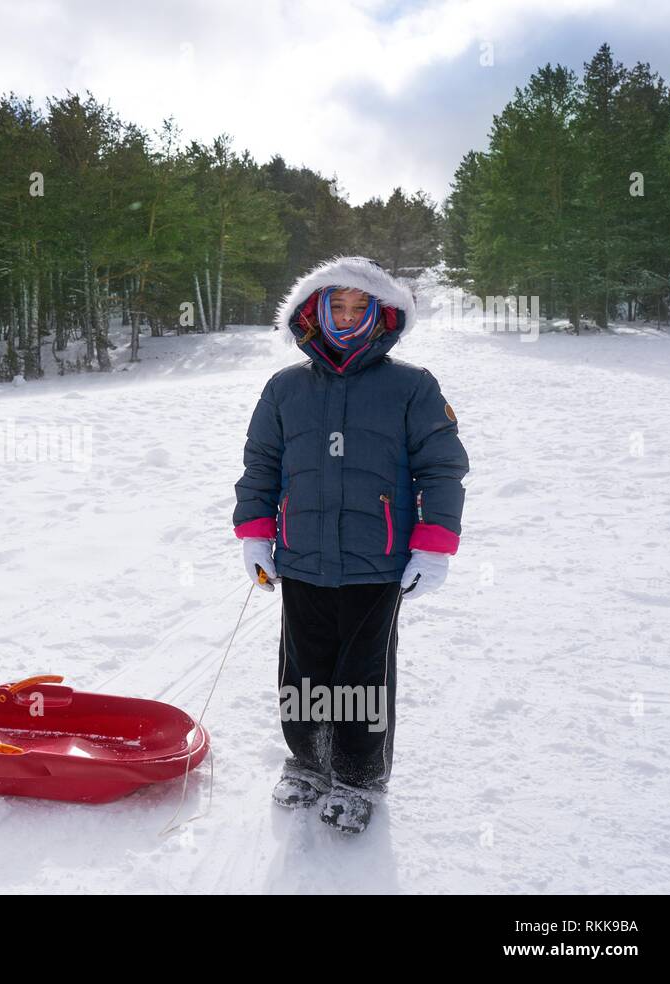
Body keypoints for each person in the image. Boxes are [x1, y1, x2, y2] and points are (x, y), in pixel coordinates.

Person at [233, 256, 469, 834]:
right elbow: (261, 464)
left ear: (381, 315)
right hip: (304, 556)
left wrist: (433, 545)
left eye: (360, 308)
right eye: (336, 307)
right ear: (313, 312)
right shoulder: (285, 388)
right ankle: (308, 763)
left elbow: (441, 469)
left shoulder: (411, 386)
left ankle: (359, 777)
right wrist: (256, 534)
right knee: (303, 669)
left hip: (375, 560)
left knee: (362, 674)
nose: (347, 318)